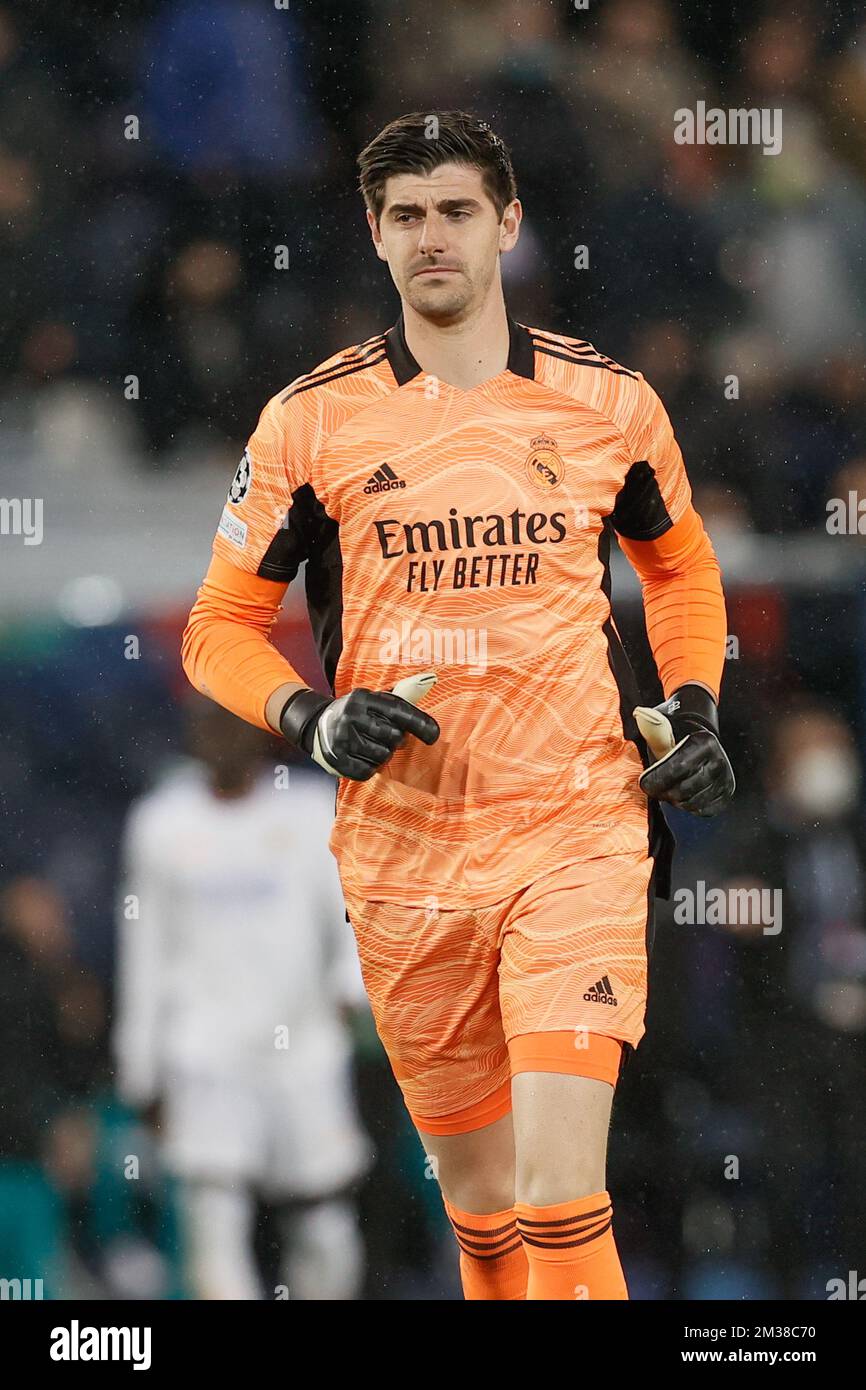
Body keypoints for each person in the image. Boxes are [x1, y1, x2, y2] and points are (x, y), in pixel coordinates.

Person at [181, 110, 735, 1301]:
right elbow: (215, 626)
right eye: (406, 215)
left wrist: (690, 704)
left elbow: (680, 566)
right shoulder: (308, 423)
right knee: (482, 1210)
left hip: (574, 827)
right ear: (375, 237)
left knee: (555, 1193)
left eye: (455, 210)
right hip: (403, 853)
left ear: (508, 223)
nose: (432, 235)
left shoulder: (608, 403)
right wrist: (310, 720)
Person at [113, 696, 373, 1299]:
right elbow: (144, 949)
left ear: (260, 735)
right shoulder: (161, 824)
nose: (217, 738)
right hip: (205, 1052)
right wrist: (140, 1068)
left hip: (303, 1046)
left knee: (324, 1222)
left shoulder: (310, 811)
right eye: (204, 724)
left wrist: (349, 993)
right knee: (213, 1221)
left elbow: (349, 916)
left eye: (231, 725)